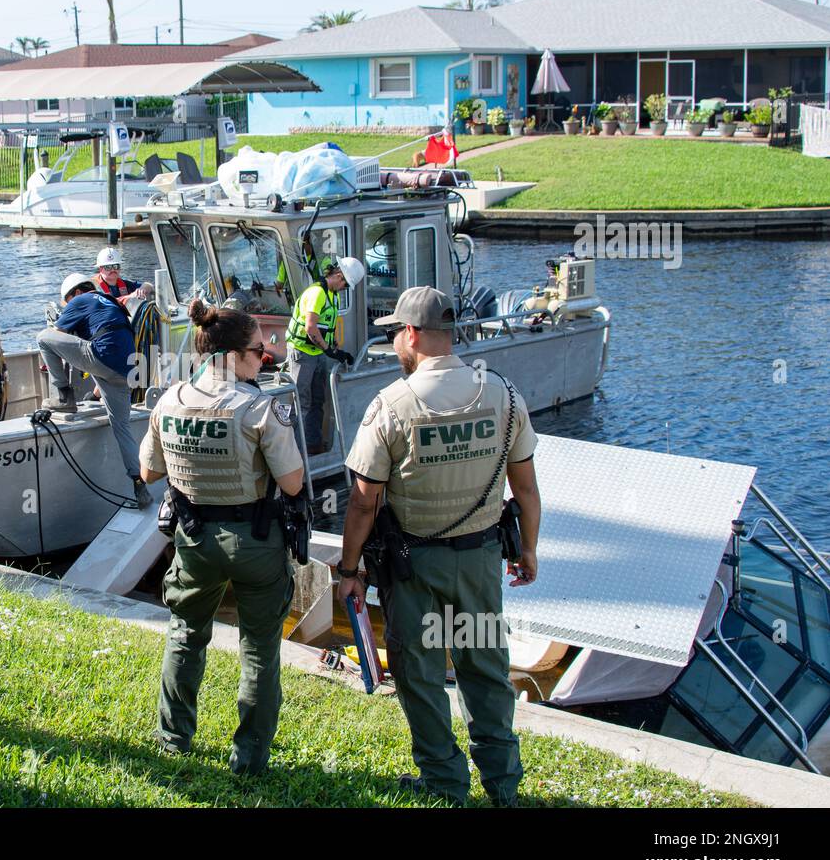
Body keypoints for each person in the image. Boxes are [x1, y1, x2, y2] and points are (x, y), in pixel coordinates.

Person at [334, 286, 541, 807]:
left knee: (418, 672)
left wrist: (349, 568)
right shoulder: (503, 393)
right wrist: (528, 550)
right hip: (479, 562)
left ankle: (445, 779)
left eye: (395, 336)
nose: (395, 347)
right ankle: (503, 784)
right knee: (486, 668)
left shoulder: (392, 404)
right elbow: (527, 488)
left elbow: (362, 504)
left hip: (413, 567)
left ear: (411, 334)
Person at [138, 299, 305, 775]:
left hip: (193, 540)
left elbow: (149, 472)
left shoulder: (169, 400)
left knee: (186, 634)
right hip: (254, 540)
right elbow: (292, 482)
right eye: (258, 350)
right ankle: (249, 757)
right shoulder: (259, 407)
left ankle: (173, 739)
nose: (265, 356)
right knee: (259, 648)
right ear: (233, 355)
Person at [37, 272, 150, 507]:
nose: (68, 307)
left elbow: (56, 336)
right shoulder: (108, 300)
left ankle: (64, 397)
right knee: (122, 428)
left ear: (76, 293)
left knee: (43, 338)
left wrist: (53, 360)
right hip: (125, 371)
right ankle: (140, 485)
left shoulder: (80, 300)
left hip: (102, 357)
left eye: (66, 303)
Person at [285, 256, 365, 455]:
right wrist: (329, 350)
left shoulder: (333, 296)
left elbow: (326, 325)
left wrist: (333, 346)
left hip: (317, 353)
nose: (344, 288)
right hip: (302, 354)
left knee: (318, 400)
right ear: (339, 276)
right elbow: (311, 328)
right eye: (345, 284)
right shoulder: (317, 293)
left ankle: (313, 444)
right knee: (301, 403)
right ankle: (295, 453)